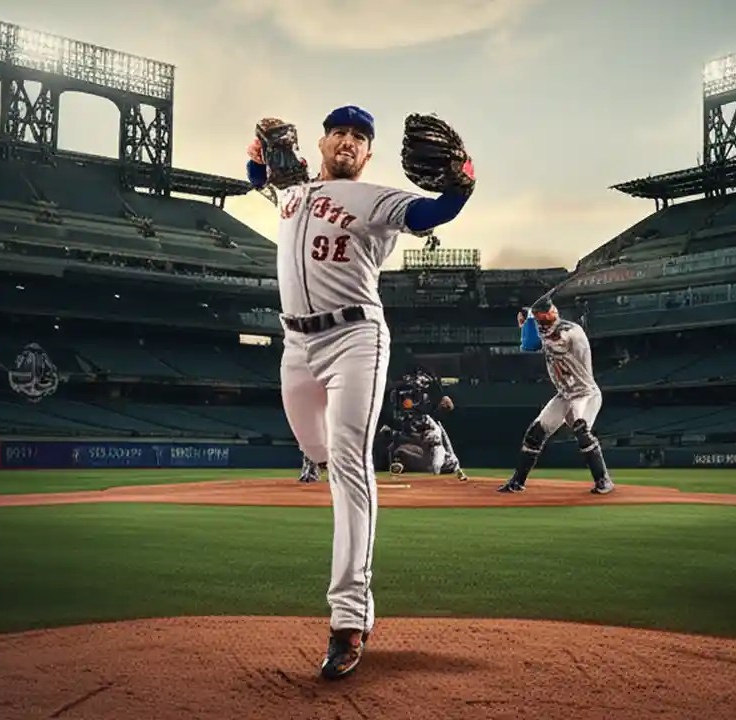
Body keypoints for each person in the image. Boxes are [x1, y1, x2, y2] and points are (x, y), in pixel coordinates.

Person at [246, 105, 472, 680]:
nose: (349, 140)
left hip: (356, 337)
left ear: (368, 154)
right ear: (321, 143)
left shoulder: (376, 198)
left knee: (349, 462)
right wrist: (256, 164)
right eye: (340, 132)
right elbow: (264, 181)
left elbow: (435, 209)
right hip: (295, 347)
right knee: (316, 450)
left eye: (360, 137)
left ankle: (349, 618)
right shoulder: (293, 189)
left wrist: (463, 177)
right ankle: (330, 474)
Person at [497, 297, 613, 494]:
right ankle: (517, 482)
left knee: (581, 429)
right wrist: (528, 320)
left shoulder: (570, 330)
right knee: (535, 433)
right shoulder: (544, 329)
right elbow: (528, 344)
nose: (551, 313)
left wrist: (529, 320)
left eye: (550, 310)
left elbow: (542, 343)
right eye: (546, 311)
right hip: (565, 394)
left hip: (585, 393)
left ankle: (604, 480)